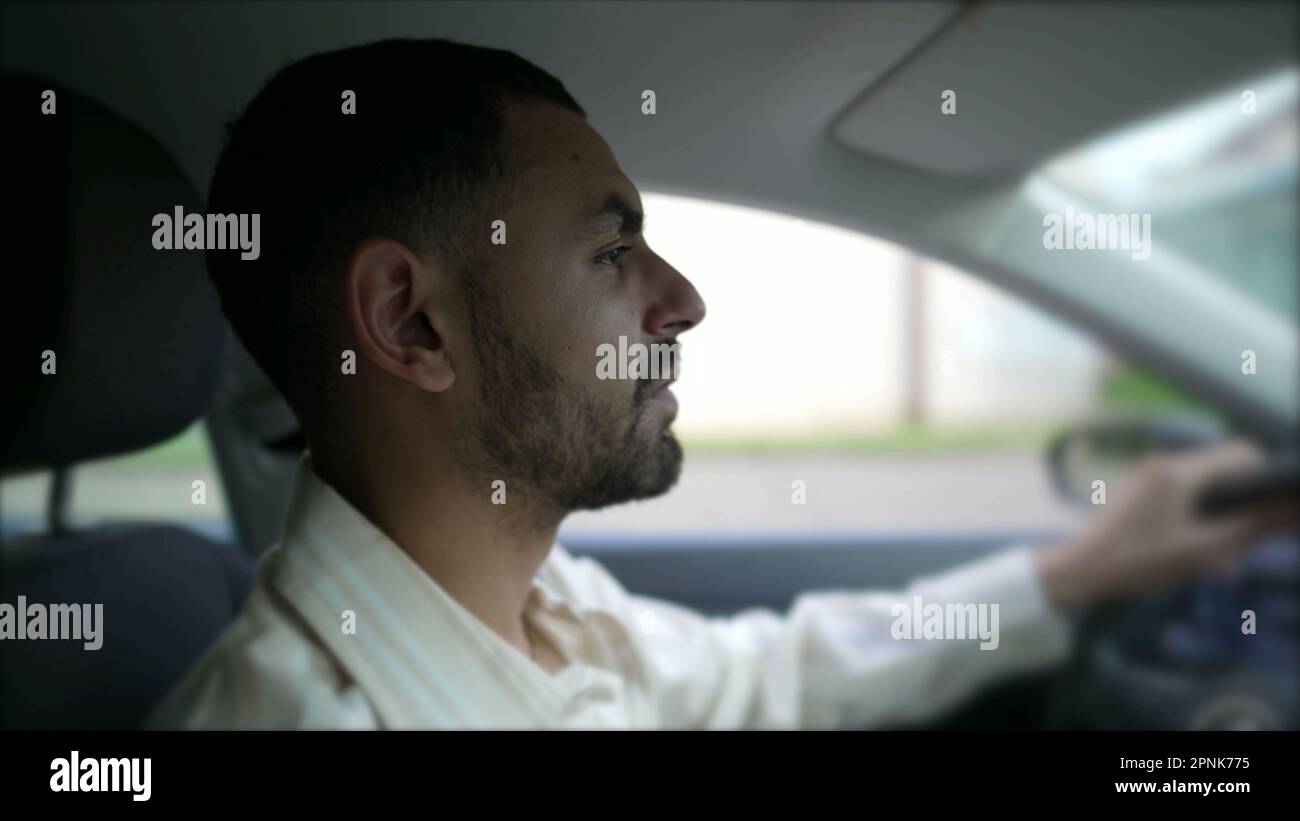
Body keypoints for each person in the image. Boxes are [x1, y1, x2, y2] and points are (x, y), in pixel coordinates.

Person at [149, 38, 1295, 729]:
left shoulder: (550, 609)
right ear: (410, 322)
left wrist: (1077, 571)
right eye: (609, 252)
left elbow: (773, 676)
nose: (682, 296)